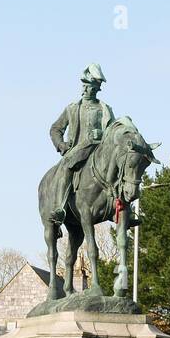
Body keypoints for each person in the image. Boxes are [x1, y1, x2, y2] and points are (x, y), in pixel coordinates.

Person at [48, 63, 114, 225]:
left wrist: (105, 135)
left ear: (97, 88)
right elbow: (56, 129)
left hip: (100, 151)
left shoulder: (105, 109)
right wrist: (61, 145)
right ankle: (60, 208)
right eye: (84, 85)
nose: (84, 89)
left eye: (89, 86)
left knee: (121, 167)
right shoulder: (72, 108)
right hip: (77, 150)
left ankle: (125, 210)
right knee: (67, 166)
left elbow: (113, 131)